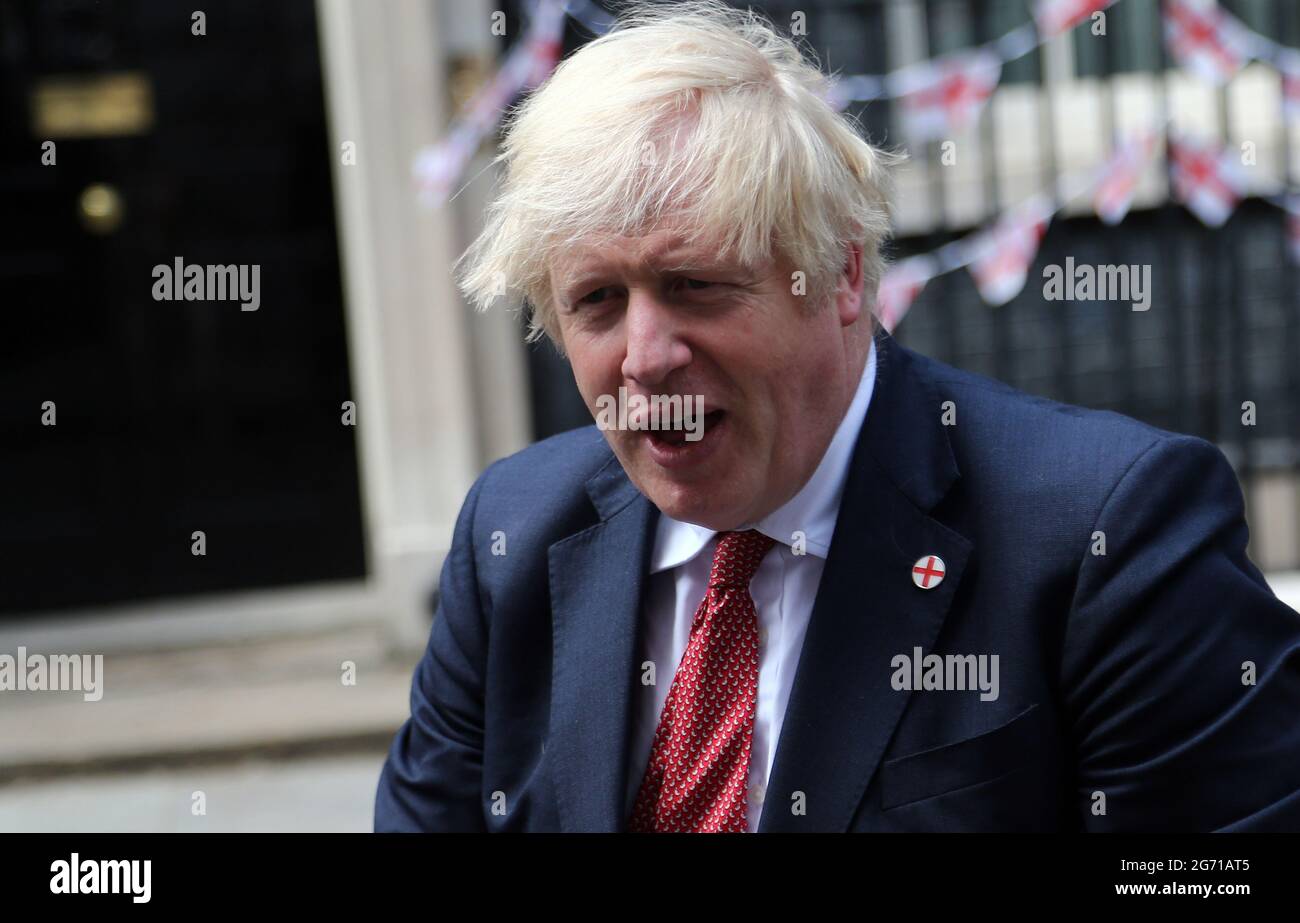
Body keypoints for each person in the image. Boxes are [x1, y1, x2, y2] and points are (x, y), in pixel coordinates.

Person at [375, 0, 1300, 832]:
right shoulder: (512, 536)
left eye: (695, 285)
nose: (645, 356)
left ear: (845, 273)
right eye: (597, 302)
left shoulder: (1110, 533)